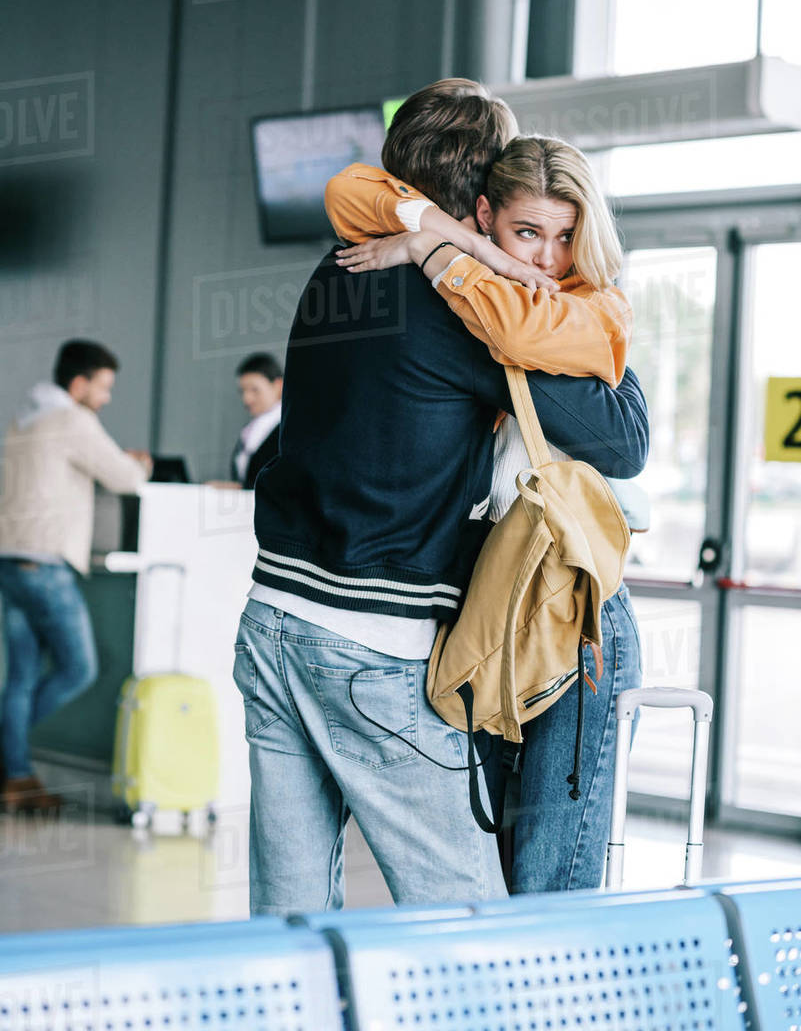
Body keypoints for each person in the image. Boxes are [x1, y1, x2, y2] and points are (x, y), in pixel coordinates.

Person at [233, 78, 649, 915]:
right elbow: (619, 439)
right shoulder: (456, 303)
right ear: (483, 192)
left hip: (270, 620)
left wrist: (431, 240)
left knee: (288, 915)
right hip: (368, 645)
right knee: (464, 919)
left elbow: (358, 191)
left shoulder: (337, 268)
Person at [328, 131, 648, 891]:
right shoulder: (482, 279)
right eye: (525, 233)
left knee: (551, 870)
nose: (543, 258)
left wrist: (435, 254)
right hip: (494, 601)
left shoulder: (593, 306)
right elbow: (347, 191)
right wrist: (443, 239)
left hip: (578, 609)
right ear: (483, 213)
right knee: (489, 857)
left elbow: (513, 332)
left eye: (565, 237)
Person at [0, 340, 151, 814]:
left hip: (10, 560)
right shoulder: (70, 420)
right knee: (78, 668)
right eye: (104, 388)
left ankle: (16, 775)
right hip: (43, 563)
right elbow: (125, 478)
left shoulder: (22, 420)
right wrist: (140, 463)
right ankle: (10, 755)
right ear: (80, 382)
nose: (106, 398)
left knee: (22, 678)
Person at [230, 353, 283, 490]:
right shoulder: (249, 430)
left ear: (278, 386)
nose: (247, 399)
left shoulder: (288, 429)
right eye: (242, 391)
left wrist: (239, 489)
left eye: (255, 390)